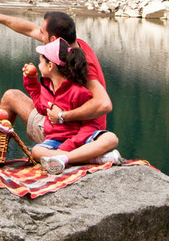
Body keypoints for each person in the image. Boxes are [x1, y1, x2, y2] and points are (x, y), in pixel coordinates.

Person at [0, 7, 120, 167]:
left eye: (42, 33)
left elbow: (104, 104)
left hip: (74, 130)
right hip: (68, 122)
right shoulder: (69, 50)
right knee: (15, 97)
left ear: (54, 38)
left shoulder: (83, 65)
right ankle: (77, 156)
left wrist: (62, 115)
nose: (39, 34)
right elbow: (29, 29)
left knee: (11, 97)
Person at [23, 39, 120, 174]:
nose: (38, 65)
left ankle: (64, 158)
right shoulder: (47, 86)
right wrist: (31, 81)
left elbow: (91, 125)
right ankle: (90, 159)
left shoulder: (77, 91)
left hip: (81, 141)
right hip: (55, 141)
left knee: (110, 138)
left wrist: (68, 147)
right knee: (36, 151)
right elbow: (40, 108)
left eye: (40, 62)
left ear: (50, 66)